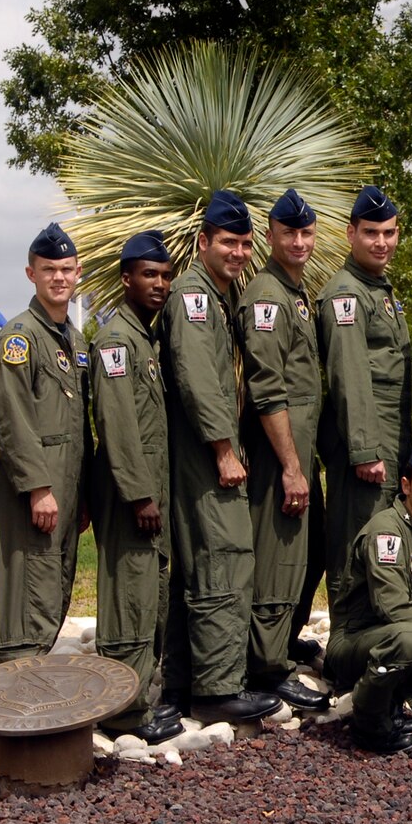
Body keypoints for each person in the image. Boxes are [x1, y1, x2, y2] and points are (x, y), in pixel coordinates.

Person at [159, 190, 278, 723]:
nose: (238, 252)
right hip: (204, 457)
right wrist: (224, 450)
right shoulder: (194, 297)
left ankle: (187, 683)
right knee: (220, 560)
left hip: (207, 451)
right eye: (228, 242)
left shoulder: (218, 294)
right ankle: (216, 691)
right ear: (203, 241)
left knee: (207, 562)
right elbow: (198, 378)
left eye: (246, 243)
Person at [236, 189, 329, 711]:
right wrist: (292, 468)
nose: (299, 241)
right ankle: (265, 668)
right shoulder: (268, 296)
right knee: (278, 560)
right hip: (278, 457)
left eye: (306, 233)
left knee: (307, 554)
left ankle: (282, 644)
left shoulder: (295, 291)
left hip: (300, 451)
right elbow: (268, 388)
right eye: (289, 232)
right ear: (270, 235)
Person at [88, 231, 183, 743]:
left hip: (154, 492)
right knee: (129, 598)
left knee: (151, 593)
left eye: (166, 276)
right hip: (132, 498)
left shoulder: (144, 337)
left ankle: (141, 698)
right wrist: (140, 494)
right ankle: (123, 711)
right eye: (150, 275)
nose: (160, 284)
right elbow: (117, 424)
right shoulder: (115, 341)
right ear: (126, 278)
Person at [0, 222, 91, 662]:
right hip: (34, 493)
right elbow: (10, 417)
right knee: (27, 599)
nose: (59, 278)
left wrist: (81, 493)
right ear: (31, 274)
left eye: (66, 269)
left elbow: (79, 423)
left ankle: (30, 700)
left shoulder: (75, 339)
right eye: (49, 269)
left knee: (52, 590)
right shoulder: (19, 337)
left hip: (65, 490)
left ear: (78, 272)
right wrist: (38, 488)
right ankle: (13, 707)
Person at [326, 435, 412, 754]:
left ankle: (390, 701)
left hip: (395, 633)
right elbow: (390, 605)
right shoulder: (387, 532)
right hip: (355, 641)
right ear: (406, 486)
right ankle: (368, 722)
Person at [320, 185, 412, 612]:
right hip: (366, 450)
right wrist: (364, 452)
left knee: (383, 544)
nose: (382, 242)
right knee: (357, 543)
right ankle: (346, 643)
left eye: (389, 233)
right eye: (371, 232)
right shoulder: (347, 293)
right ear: (350, 234)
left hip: (388, 442)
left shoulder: (379, 289)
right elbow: (350, 375)